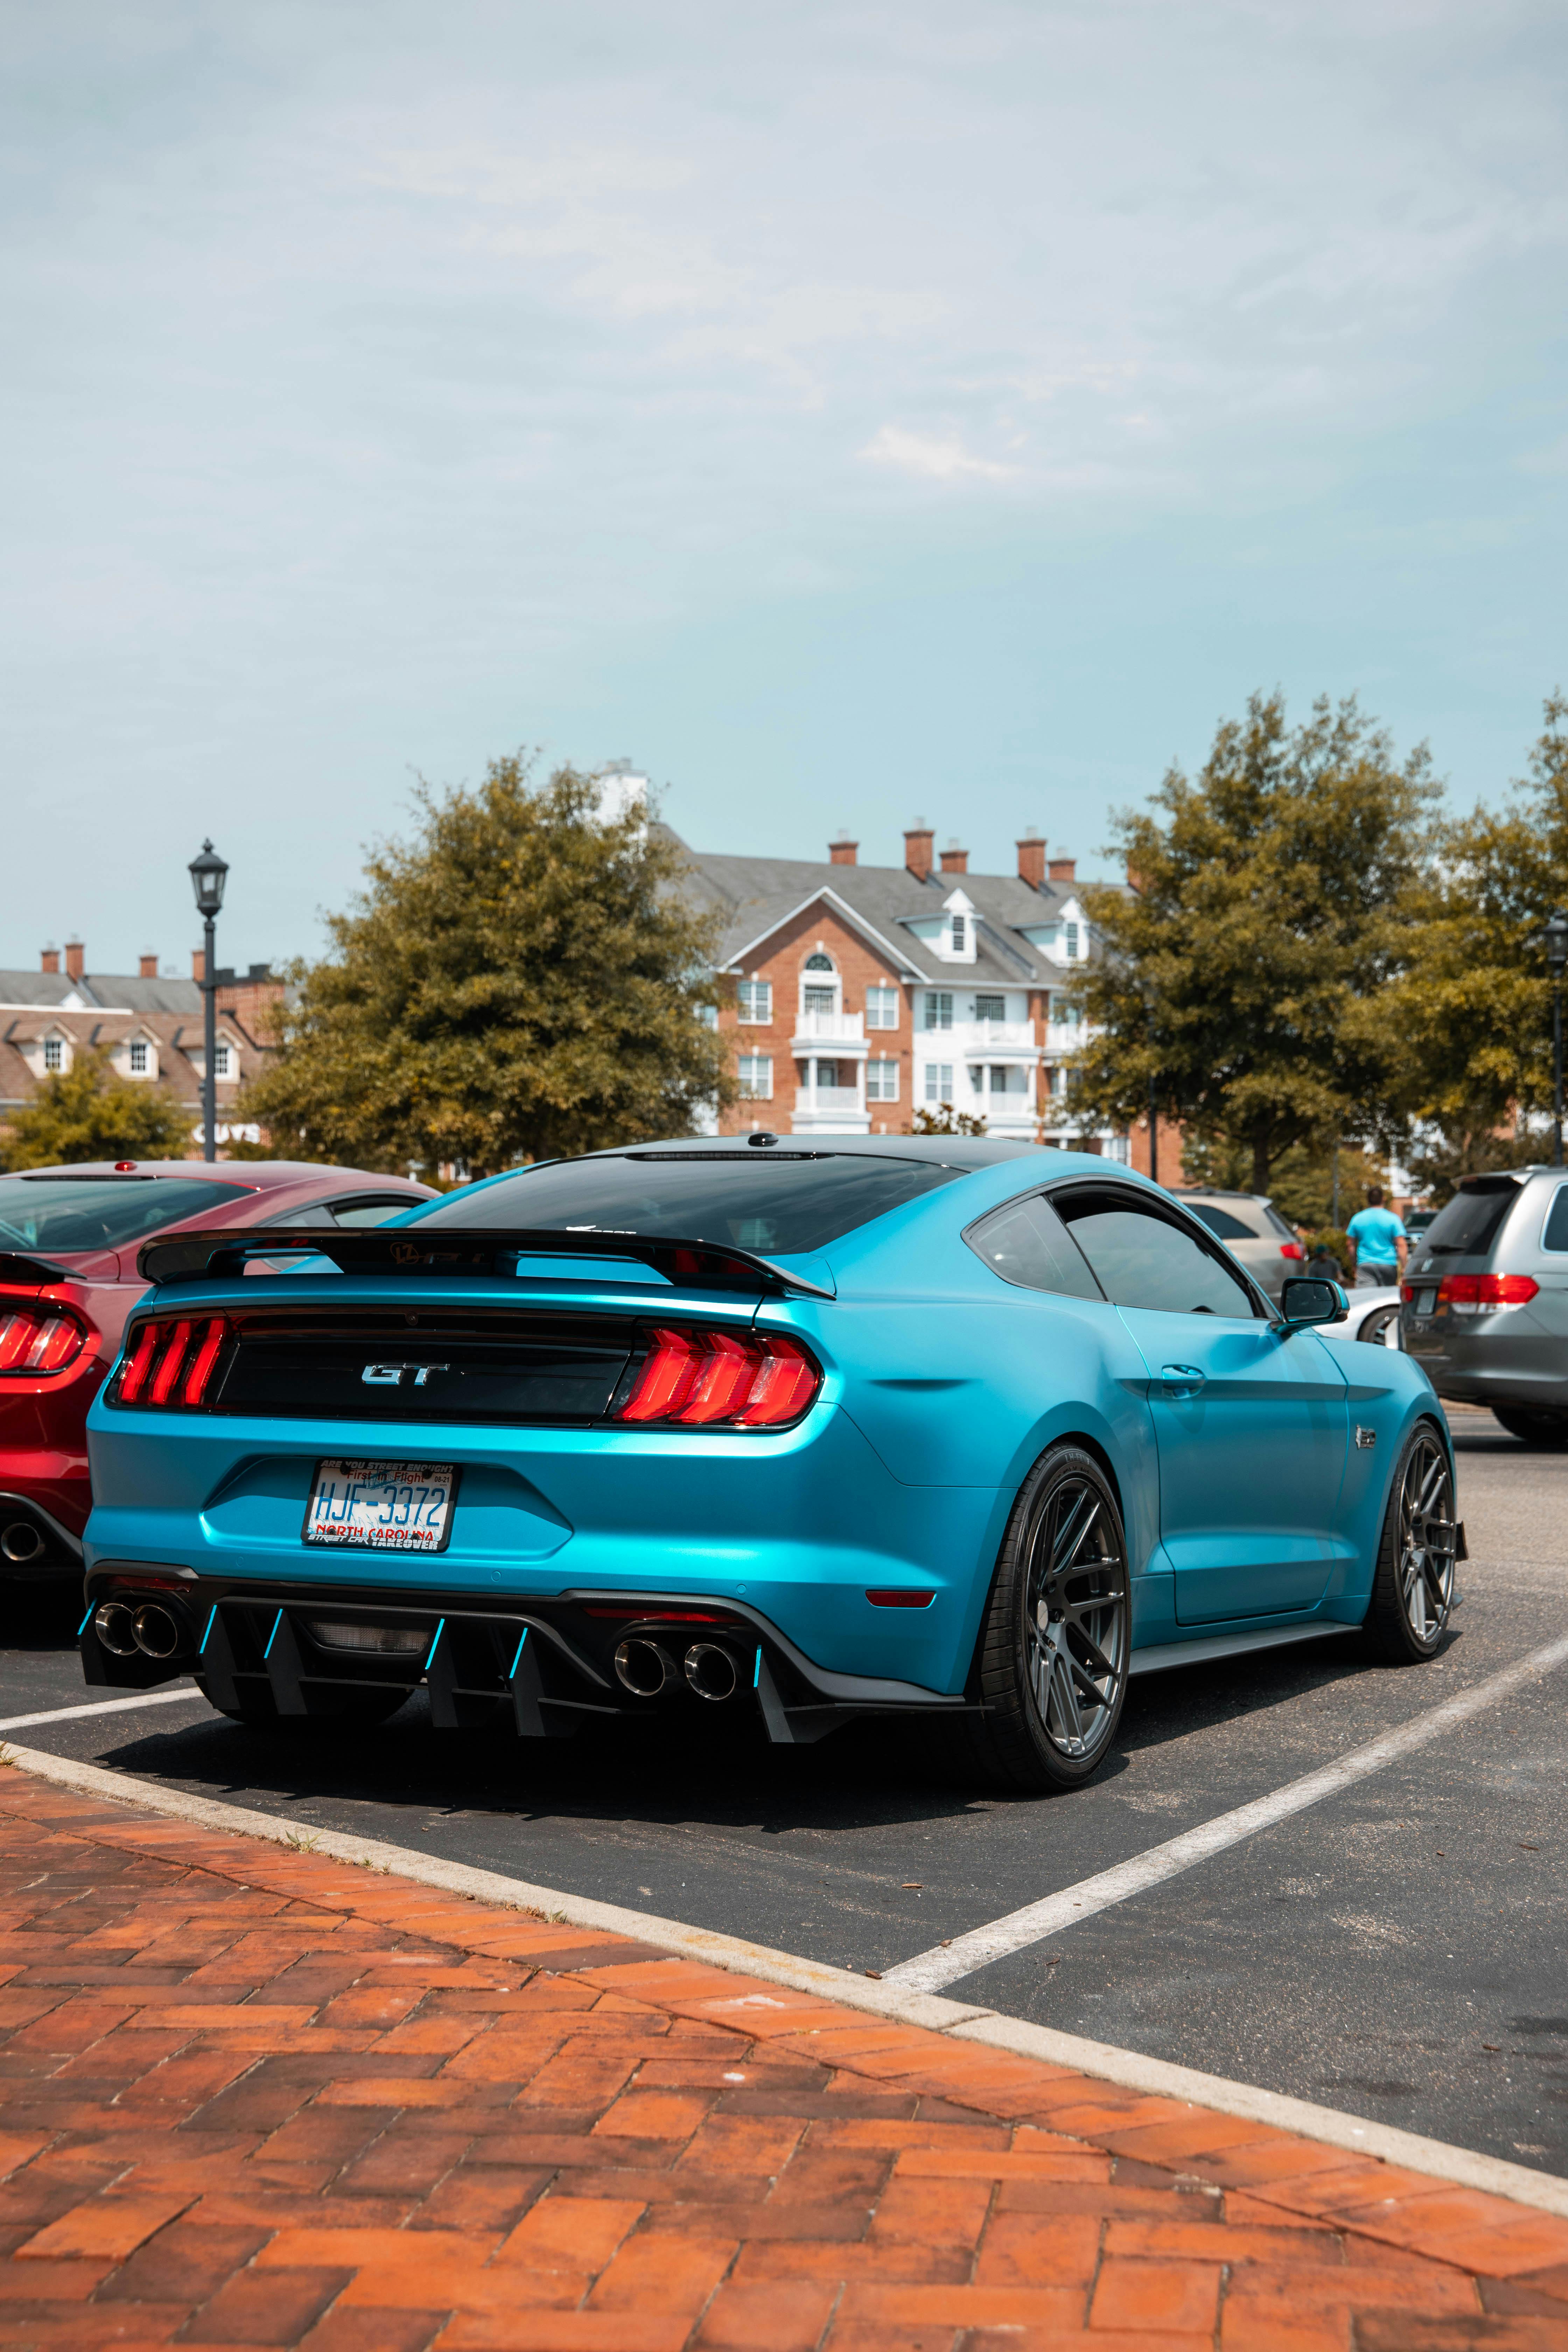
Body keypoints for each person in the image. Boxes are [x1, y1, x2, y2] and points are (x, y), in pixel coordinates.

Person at [1345, 1186, 1408, 1288]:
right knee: (1387, 1300)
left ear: (1368, 1199)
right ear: (1383, 1199)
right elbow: (1401, 1245)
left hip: (1365, 1264)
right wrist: (1404, 1267)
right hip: (1388, 1264)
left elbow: (1350, 1245)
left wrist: (1354, 1264)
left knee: (1367, 1299)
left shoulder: (1357, 1219)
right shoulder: (1393, 1219)